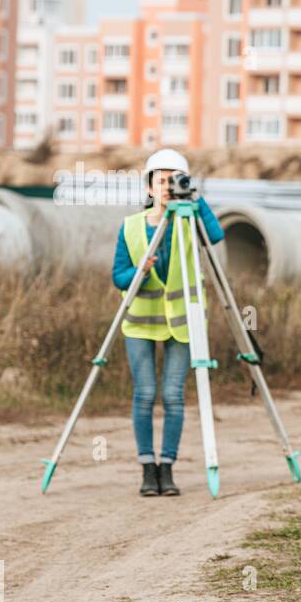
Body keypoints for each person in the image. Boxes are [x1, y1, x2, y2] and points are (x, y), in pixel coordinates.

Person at [111, 149, 225, 497]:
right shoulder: (131, 226)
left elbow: (216, 235)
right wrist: (140, 271)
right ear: (148, 187)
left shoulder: (189, 223)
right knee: (145, 394)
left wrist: (194, 198)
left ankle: (168, 468)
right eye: (160, 180)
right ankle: (148, 469)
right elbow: (118, 277)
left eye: (174, 179)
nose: (166, 186)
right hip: (140, 323)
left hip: (180, 322)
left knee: (173, 396)